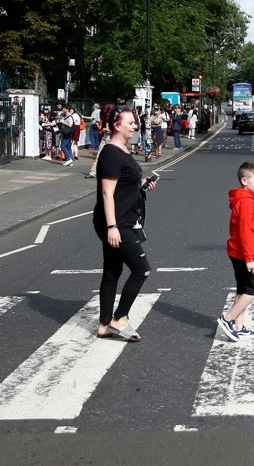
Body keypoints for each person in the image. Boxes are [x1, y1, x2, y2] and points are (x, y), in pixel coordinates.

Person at [93, 109, 158, 342]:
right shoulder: (111, 153)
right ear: (117, 126)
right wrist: (112, 227)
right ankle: (120, 318)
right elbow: (107, 193)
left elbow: (124, 185)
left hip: (123, 220)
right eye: (131, 123)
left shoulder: (123, 151)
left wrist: (142, 184)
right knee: (142, 269)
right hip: (118, 223)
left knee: (112, 271)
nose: (135, 127)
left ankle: (103, 324)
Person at [217, 162, 254, 341]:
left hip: (239, 251)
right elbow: (245, 231)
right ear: (244, 180)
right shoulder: (245, 201)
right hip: (243, 254)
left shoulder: (246, 198)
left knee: (242, 289)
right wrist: (249, 258)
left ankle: (238, 327)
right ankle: (227, 319)